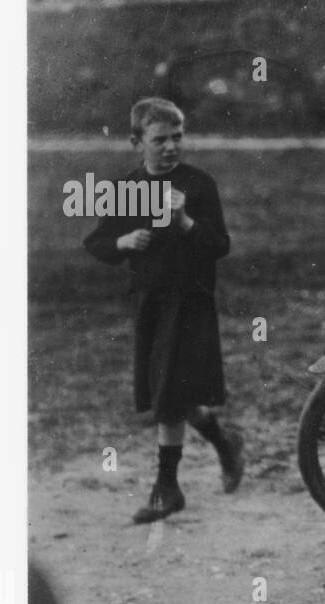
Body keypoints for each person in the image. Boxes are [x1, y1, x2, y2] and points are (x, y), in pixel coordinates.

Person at [84, 97, 243, 524]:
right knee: (171, 393)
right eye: (160, 140)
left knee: (169, 396)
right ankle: (223, 442)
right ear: (137, 141)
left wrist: (187, 223)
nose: (171, 147)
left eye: (177, 137)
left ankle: (166, 488)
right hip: (151, 304)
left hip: (190, 303)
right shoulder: (125, 190)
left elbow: (220, 245)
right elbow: (96, 243)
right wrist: (123, 242)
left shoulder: (197, 185)